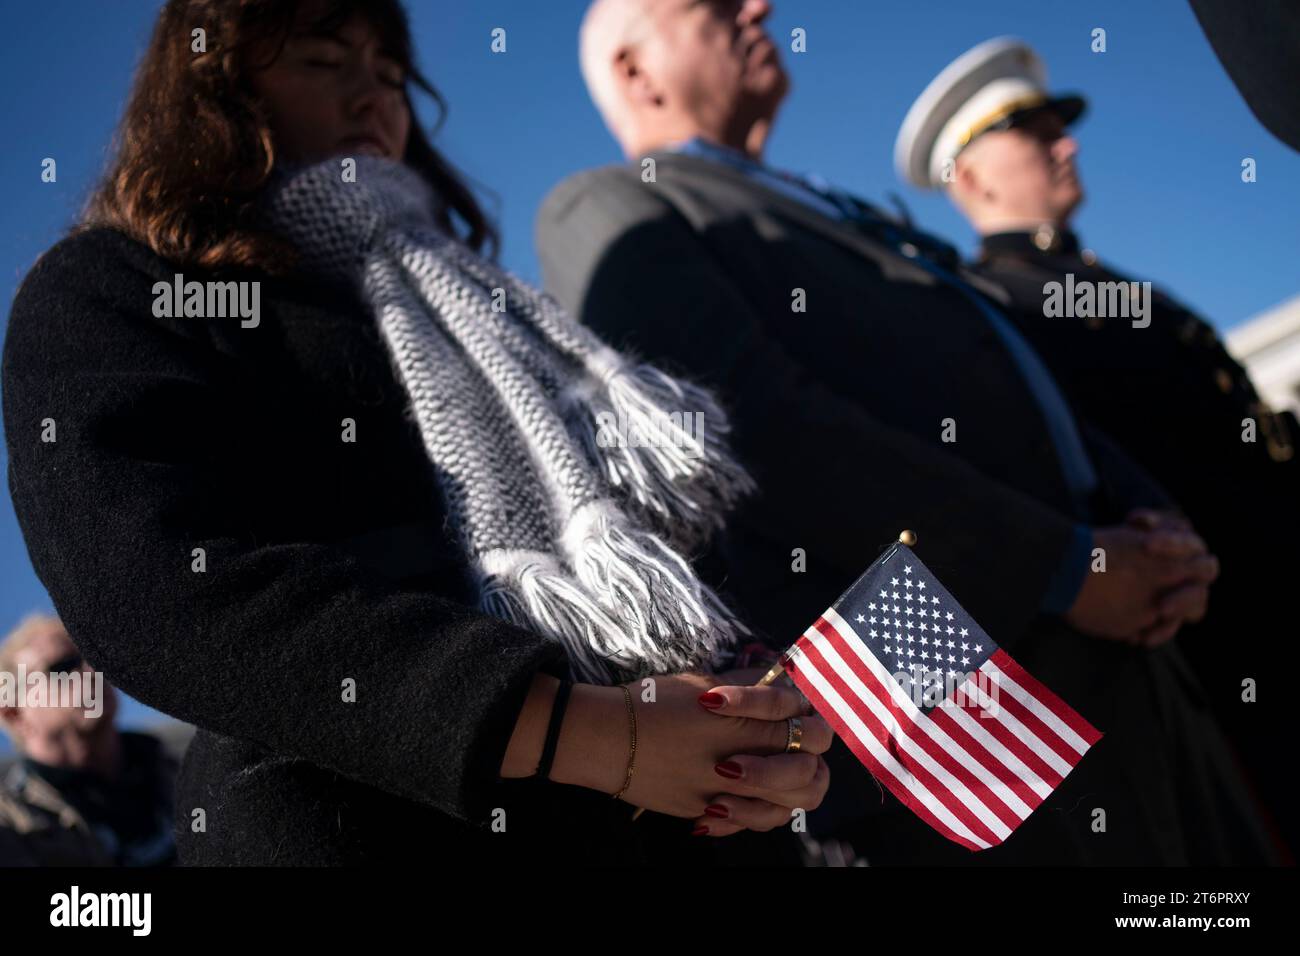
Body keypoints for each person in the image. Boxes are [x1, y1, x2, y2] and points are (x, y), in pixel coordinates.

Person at [2, 0, 833, 867]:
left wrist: (756, 723)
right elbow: (156, 590)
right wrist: (589, 736)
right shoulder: (116, 286)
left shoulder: (496, 313)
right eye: (325, 60)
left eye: (392, 76)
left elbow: (677, 573)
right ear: (213, 88)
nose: (374, 99)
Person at [535, 0, 1278, 864]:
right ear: (634, 71)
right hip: (976, 698)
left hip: (1126, 651)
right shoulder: (609, 202)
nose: (758, 7)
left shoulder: (834, 206)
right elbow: (753, 429)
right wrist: (1066, 565)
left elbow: (1022, 384)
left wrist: (1155, 526)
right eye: (708, 5)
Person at [896, 35, 1297, 858]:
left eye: (1060, 129)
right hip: (1208, 640)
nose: (1066, 144)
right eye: (1035, 134)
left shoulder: (1116, 285)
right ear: (968, 178)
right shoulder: (989, 312)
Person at [0, 613, 178, 866]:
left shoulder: (191, 770)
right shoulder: (14, 829)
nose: (93, 670)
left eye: (96, 655)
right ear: (14, 713)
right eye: (64, 666)